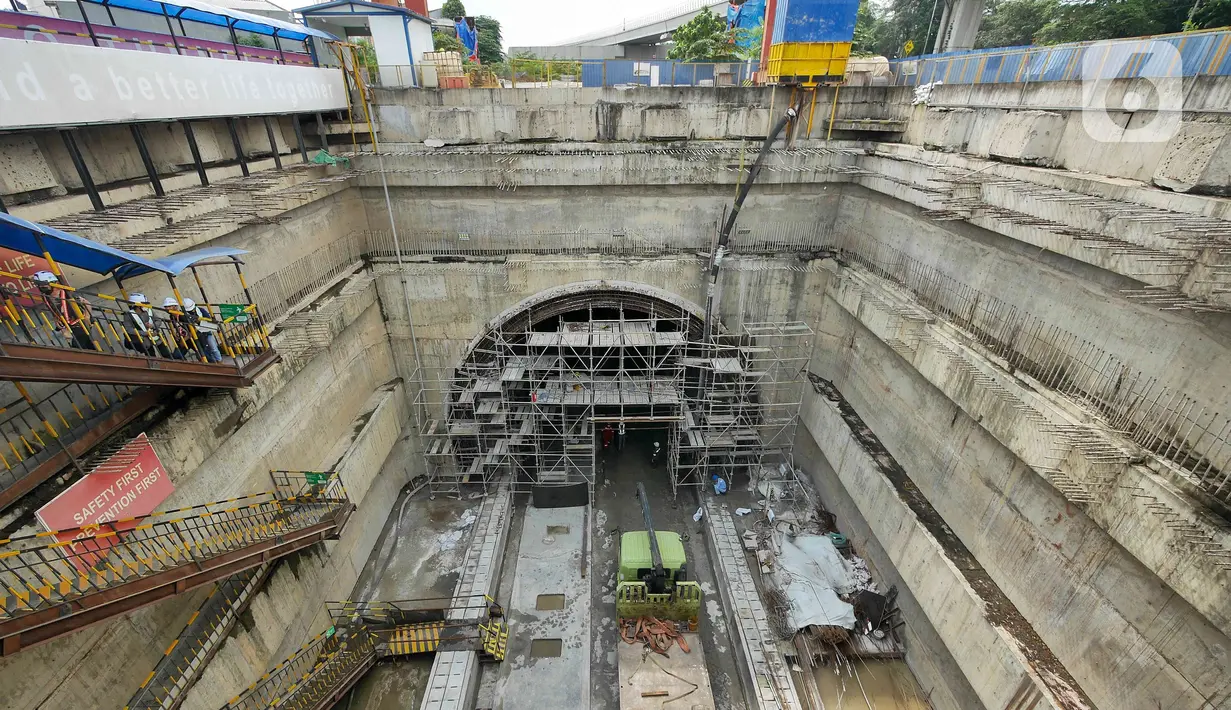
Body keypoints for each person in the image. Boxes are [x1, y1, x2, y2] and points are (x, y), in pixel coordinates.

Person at [32, 271, 93, 350]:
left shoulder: (66, 293)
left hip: (81, 323)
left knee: (77, 347)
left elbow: (87, 303)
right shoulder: (46, 297)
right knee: (89, 346)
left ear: (53, 283)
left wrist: (87, 317)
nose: (40, 287)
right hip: (69, 326)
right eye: (38, 285)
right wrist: (56, 320)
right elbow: (54, 311)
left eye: (43, 284)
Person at [185, 298, 223, 363]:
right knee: (203, 350)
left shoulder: (201, 310)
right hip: (197, 335)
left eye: (192, 309)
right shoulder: (185, 314)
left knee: (214, 348)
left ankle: (219, 361)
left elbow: (209, 319)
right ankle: (211, 362)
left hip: (206, 331)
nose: (192, 311)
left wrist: (199, 321)